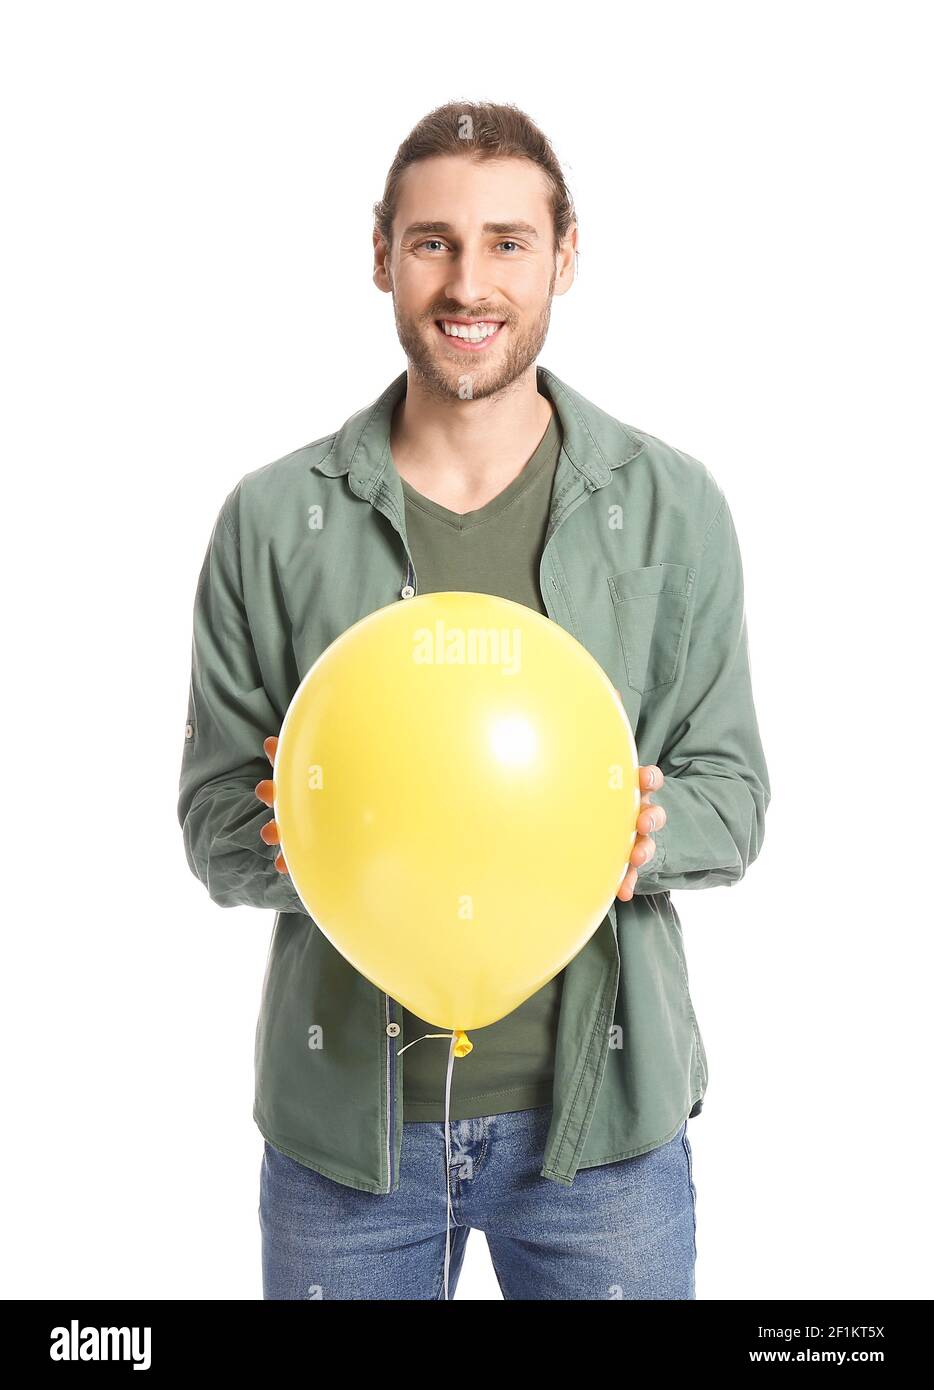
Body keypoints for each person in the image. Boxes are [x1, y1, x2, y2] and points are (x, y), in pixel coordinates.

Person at [177, 100, 770, 1300]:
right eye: (434, 240)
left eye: (506, 241)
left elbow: (734, 796)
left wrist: (630, 832)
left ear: (563, 255)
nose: (468, 281)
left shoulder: (672, 507)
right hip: (347, 1142)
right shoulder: (270, 518)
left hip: (604, 1135)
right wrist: (313, 834)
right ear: (383, 254)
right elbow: (212, 825)